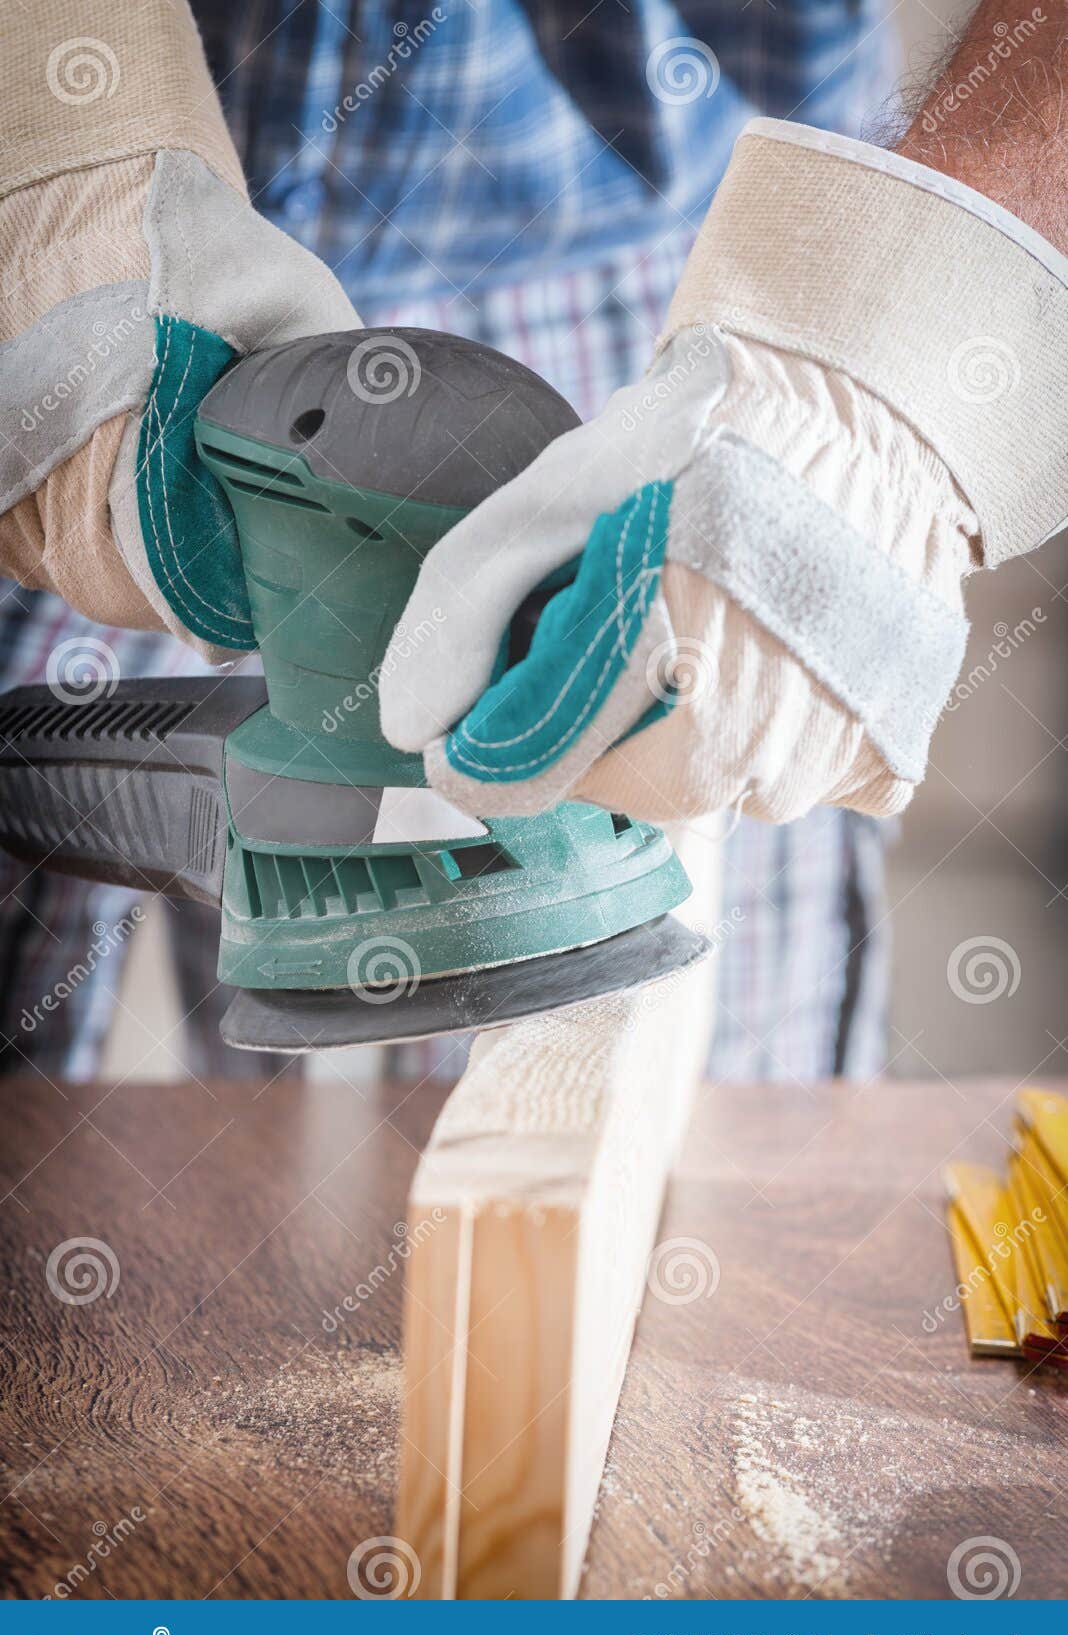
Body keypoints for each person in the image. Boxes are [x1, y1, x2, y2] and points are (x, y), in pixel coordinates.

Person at [1, 2, 1064, 1082]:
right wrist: (47, 154)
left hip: (702, 340)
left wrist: (906, 343)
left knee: (701, 1195)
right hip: (106, 283)